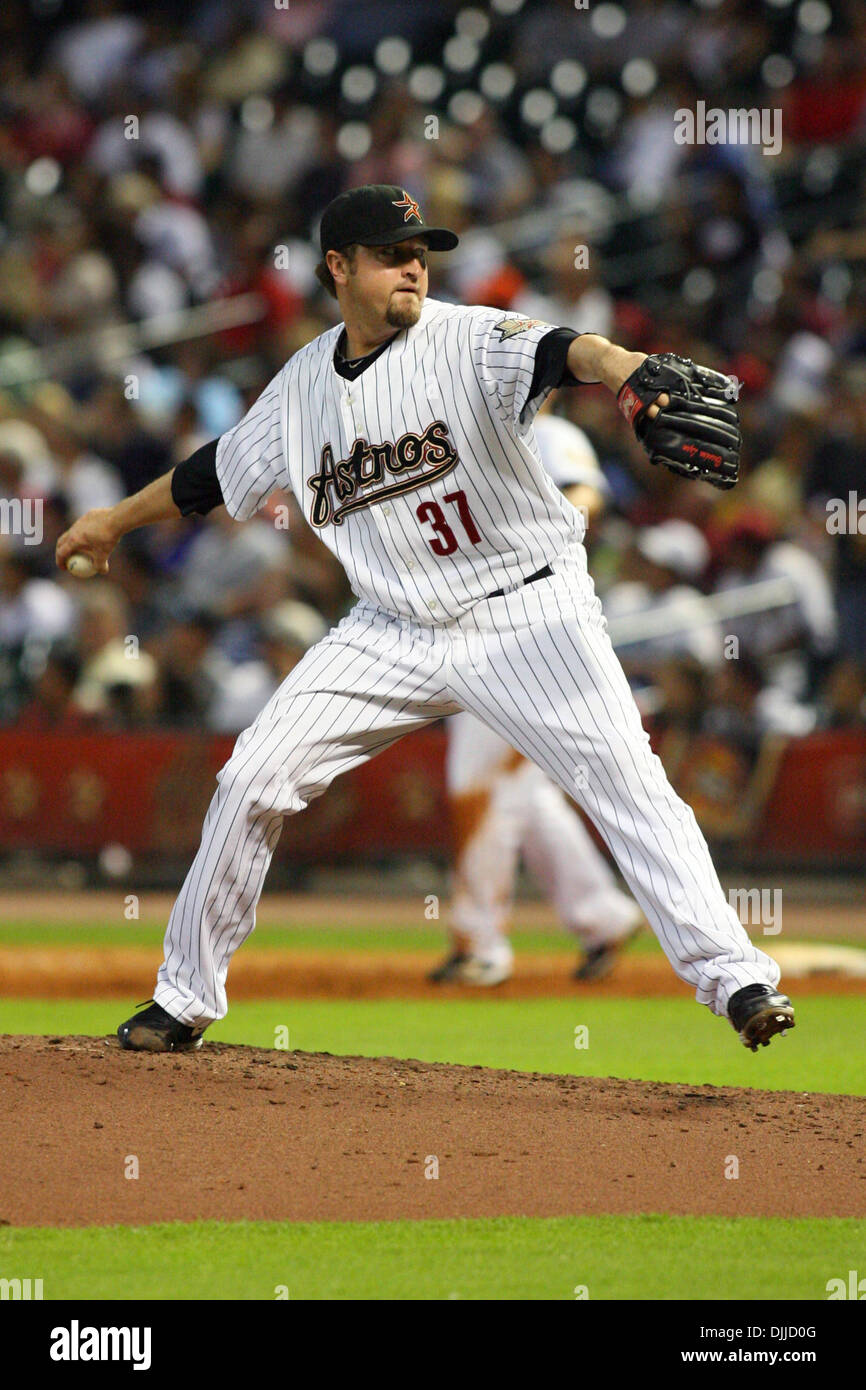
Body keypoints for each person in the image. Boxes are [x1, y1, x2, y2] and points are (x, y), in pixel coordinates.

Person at [55, 184, 794, 1055]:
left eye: (421, 253)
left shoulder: (467, 336)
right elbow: (213, 473)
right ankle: (182, 1000)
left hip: (524, 606)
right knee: (249, 780)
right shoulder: (301, 386)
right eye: (390, 254)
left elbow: (566, 350)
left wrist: (626, 365)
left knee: (626, 783)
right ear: (338, 267)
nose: (414, 267)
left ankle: (736, 977)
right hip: (390, 628)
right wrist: (109, 521)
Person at [432, 411, 641, 986]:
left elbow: (586, 495)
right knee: (525, 792)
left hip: (523, 632)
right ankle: (602, 914)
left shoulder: (550, 431)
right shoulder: (459, 437)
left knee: (477, 785)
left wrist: (528, 544)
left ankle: (481, 943)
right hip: (472, 629)